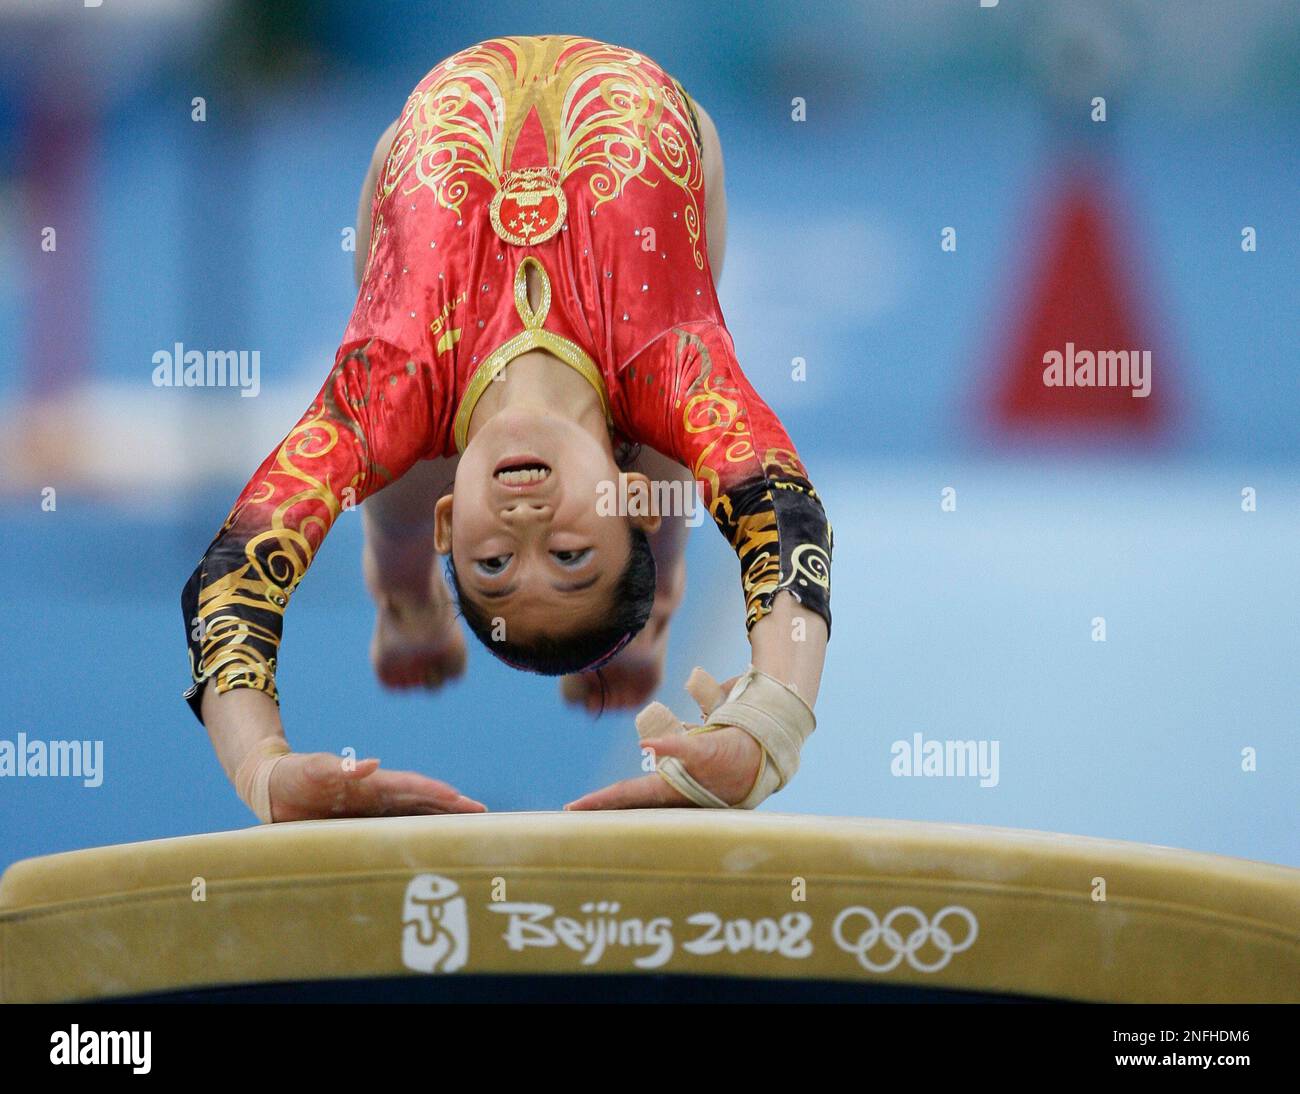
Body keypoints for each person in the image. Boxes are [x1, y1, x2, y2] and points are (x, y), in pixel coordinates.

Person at [181, 35, 832, 823]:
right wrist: (772, 730)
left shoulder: (392, 373)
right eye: (569, 556)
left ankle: (405, 596)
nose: (526, 526)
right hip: (677, 154)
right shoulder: (670, 359)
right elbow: (787, 519)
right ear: (626, 501)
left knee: (389, 465)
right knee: (687, 440)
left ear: (450, 524)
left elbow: (230, 573)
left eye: (492, 564)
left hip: (404, 171)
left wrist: (261, 770)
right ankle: (652, 612)